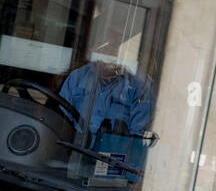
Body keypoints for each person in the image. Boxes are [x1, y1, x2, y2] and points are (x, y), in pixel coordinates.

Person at [59, 43, 155, 182]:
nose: (114, 54)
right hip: (69, 164)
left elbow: (139, 143)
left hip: (113, 174)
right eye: (109, 48)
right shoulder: (78, 77)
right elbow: (58, 122)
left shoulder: (140, 87)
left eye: (120, 49)